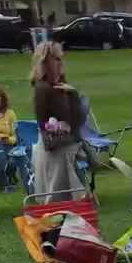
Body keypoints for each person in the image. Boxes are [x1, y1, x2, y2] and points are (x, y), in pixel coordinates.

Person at [29, 41, 86, 203]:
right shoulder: (43, 88)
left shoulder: (63, 86)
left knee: (72, 201)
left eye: (62, 58)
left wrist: (73, 95)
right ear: (45, 60)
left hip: (67, 148)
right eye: (56, 58)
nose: (61, 62)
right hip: (54, 150)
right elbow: (43, 122)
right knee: (57, 202)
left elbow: (78, 120)